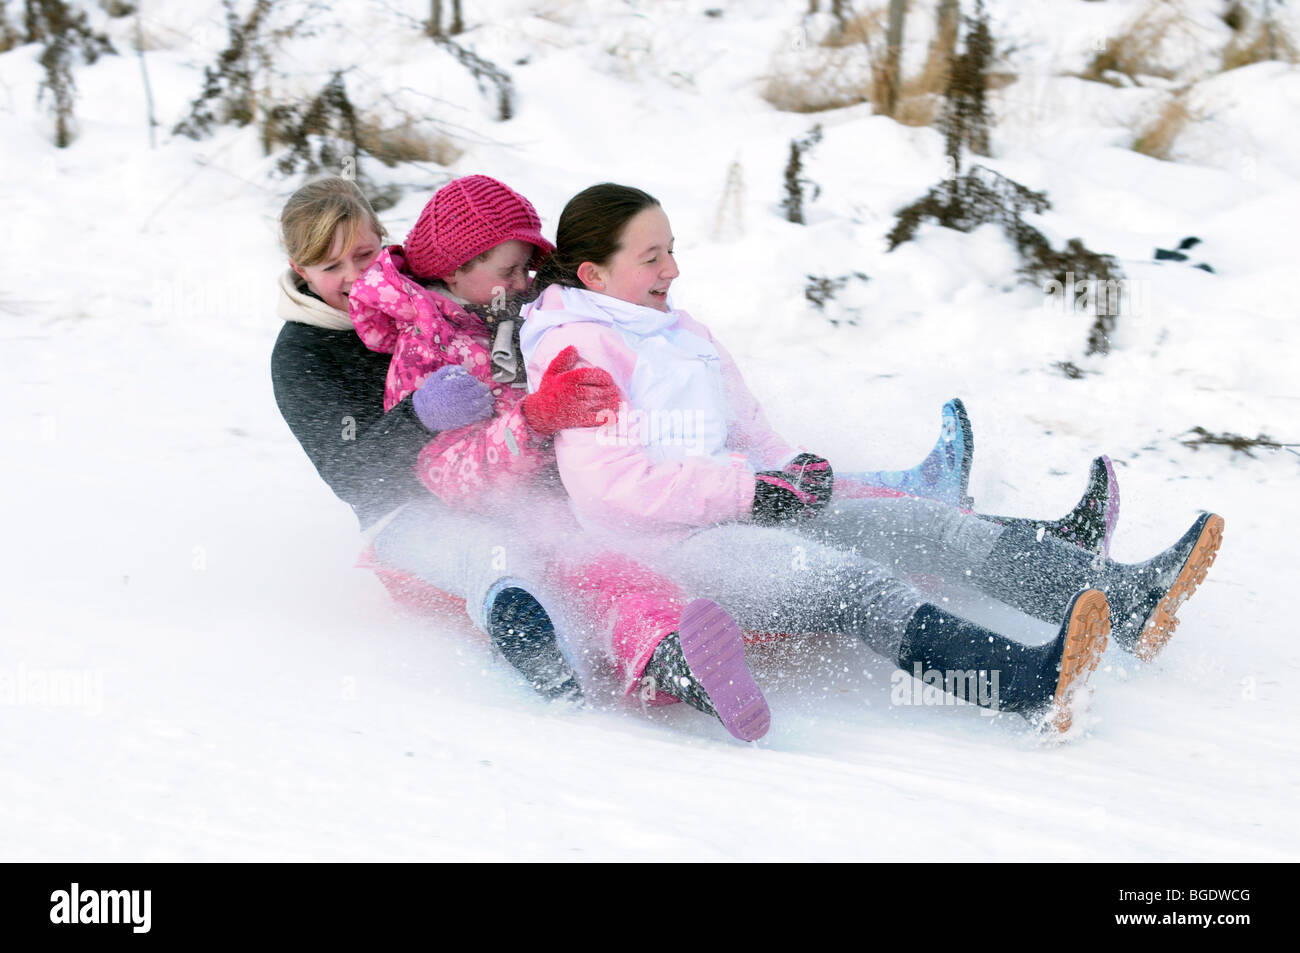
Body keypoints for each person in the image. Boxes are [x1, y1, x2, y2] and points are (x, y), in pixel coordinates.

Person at [518, 183, 1226, 732]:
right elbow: (609, 491)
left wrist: (795, 467)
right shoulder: (578, 350)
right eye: (652, 258)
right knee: (852, 583)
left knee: (930, 527)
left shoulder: (680, 329)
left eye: (672, 247)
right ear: (594, 274)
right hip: (670, 549)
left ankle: (1131, 603)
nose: (674, 267)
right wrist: (750, 492)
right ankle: (1025, 684)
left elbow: (753, 431)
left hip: (744, 504)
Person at [344, 174, 772, 740]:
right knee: (602, 569)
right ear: (454, 270)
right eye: (509, 271)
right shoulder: (427, 350)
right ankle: (673, 662)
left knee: (695, 497)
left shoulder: (513, 305)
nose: (524, 281)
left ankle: (865, 511)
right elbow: (448, 474)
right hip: (504, 511)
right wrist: (536, 420)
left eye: (529, 266)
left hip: (580, 480)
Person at [272, 176, 622, 703]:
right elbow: (350, 477)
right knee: (495, 554)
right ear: (301, 271)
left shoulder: (429, 290)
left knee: (592, 531)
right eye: (329, 267)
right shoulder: (303, 355)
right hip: (407, 515)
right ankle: (548, 667)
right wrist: (420, 415)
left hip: (508, 474)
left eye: (363, 254)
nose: (352, 277)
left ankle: (667, 635)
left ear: (384, 239)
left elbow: (506, 270)